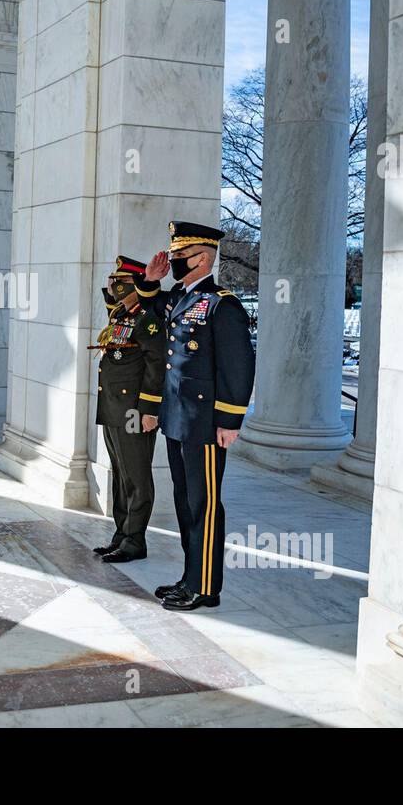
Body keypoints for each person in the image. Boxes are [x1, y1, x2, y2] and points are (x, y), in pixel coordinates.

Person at [132, 222, 255, 610]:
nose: (173, 264)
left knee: (204, 504)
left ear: (202, 259)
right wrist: (149, 281)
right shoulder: (180, 298)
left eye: (180, 258)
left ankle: (205, 587)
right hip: (178, 419)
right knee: (185, 502)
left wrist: (230, 421)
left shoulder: (223, 304)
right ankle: (190, 577)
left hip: (204, 423)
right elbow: (151, 307)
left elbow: (238, 368)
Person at [91, 256, 165, 563]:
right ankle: (121, 534)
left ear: (136, 284)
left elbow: (157, 366)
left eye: (120, 281)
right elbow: (114, 308)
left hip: (134, 411)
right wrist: (110, 294)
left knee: (136, 475)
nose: (114, 286)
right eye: (113, 280)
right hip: (113, 407)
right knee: (120, 474)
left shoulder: (148, 318)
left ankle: (135, 541)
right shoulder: (123, 316)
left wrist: (150, 410)